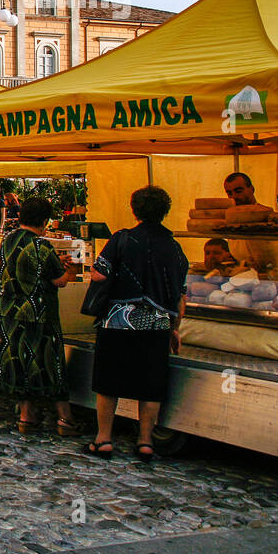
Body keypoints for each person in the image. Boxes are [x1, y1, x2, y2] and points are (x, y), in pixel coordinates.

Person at [87, 186, 189, 461]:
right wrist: (175, 327)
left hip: (117, 321)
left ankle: (103, 439)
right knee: (151, 382)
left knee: (109, 380)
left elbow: (99, 274)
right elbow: (180, 294)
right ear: (165, 211)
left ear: (135, 209)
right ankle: (145, 441)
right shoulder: (174, 246)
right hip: (157, 324)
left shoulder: (122, 238)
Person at [0, 196, 84, 436]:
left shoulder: (7, 241)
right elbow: (58, 281)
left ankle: (26, 416)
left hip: (6, 313)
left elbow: (19, 268)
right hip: (37, 315)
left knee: (20, 364)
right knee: (49, 364)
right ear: (45, 220)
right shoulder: (40, 245)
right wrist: (68, 270)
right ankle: (65, 419)